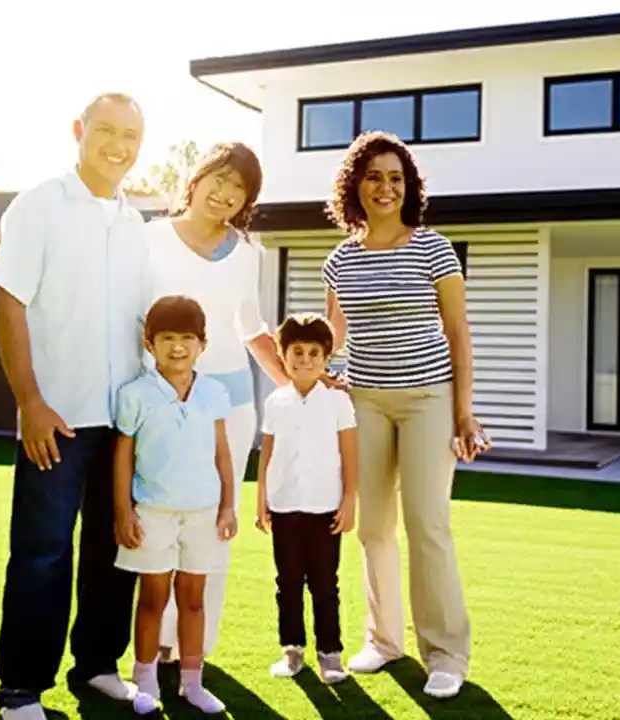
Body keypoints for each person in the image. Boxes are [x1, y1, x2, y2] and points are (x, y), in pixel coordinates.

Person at [0, 92, 149, 720]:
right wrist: (29, 400)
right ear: (79, 130)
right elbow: (9, 303)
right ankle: (21, 690)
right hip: (56, 419)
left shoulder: (136, 225)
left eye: (131, 136)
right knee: (43, 554)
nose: (118, 146)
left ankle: (98, 666)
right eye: (106, 130)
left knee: (114, 551)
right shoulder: (38, 206)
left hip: (123, 424)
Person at [321, 130, 492, 700]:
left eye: (395, 178)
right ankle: (384, 640)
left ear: (409, 186)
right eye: (374, 176)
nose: (385, 187)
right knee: (372, 527)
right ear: (356, 185)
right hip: (365, 400)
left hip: (427, 399)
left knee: (427, 524)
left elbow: (458, 331)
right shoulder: (340, 260)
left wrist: (463, 413)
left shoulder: (433, 248)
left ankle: (445, 654)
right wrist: (314, 362)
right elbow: (337, 335)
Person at [140, 141, 290, 660]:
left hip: (230, 405)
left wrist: (296, 382)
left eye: (239, 188)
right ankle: (153, 645)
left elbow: (251, 329)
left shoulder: (249, 254)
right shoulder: (149, 239)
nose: (225, 193)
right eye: (219, 178)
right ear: (198, 177)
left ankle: (193, 649)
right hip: (160, 402)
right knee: (157, 520)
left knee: (214, 524)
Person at [112, 294, 237, 715]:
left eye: (187, 338)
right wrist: (124, 511)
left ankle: (192, 683)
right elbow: (123, 457)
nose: (177, 347)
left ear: (203, 343)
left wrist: (228, 506)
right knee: (152, 598)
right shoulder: (135, 394)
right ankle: (145, 680)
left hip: (203, 513)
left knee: (193, 599)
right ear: (149, 344)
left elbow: (223, 453)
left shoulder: (214, 393)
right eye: (166, 338)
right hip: (152, 512)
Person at [255, 313, 358, 684]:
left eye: (314, 353)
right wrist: (261, 500)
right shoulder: (275, 402)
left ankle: (330, 654)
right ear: (283, 355)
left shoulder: (338, 402)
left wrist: (350, 499)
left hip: (325, 507)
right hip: (284, 506)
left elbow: (349, 454)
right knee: (288, 583)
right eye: (297, 352)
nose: (305, 360)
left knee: (325, 584)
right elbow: (267, 453)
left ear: (326, 357)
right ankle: (292, 649)